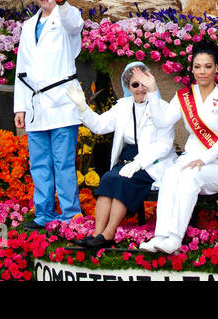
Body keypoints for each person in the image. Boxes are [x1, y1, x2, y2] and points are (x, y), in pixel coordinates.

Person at [140, 39, 218, 254]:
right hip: (190, 159)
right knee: (169, 176)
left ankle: (175, 240)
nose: (202, 72)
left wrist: (204, 159)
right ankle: (160, 237)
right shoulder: (184, 96)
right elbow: (163, 122)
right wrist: (151, 92)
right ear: (192, 68)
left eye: (208, 66)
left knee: (189, 176)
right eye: (197, 67)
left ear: (216, 67)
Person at [64, 61, 175, 249]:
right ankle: (97, 234)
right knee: (108, 178)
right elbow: (99, 126)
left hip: (152, 161)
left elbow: (164, 146)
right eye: (135, 85)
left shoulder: (162, 107)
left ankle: (108, 234)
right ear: (127, 86)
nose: (140, 89)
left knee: (124, 181)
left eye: (143, 84)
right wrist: (83, 107)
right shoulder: (123, 105)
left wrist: (139, 163)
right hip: (127, 157)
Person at [13, 0, 83, 228]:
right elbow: (22, 68)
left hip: (62, 101)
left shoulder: (67, 16)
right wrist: (19, 107)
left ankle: (70, 214)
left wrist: (62, 0)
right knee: (39, 164)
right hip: (35, 104)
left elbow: (74, 23)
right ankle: (43, 214)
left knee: (63, 162)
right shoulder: (29, 25)